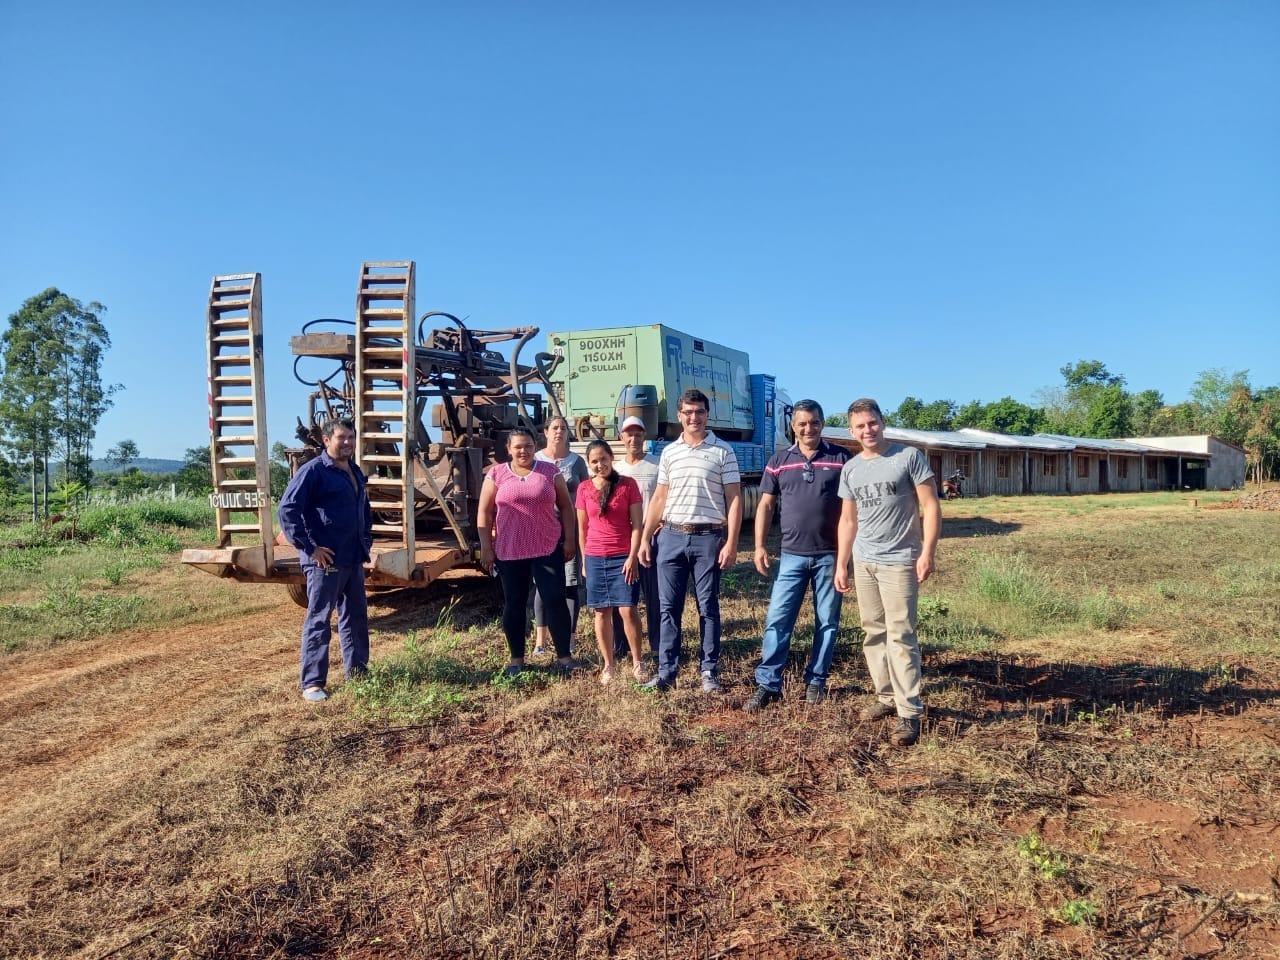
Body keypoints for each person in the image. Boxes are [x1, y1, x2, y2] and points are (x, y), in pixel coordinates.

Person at [834, 398, 940, 747]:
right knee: (873, 632)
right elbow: (849, 520)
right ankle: (885, 696)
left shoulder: (908, 457)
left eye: (872, 423)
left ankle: (909, 712)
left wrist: (927, 552)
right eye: (860, 426)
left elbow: (930, 505)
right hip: (864, 562)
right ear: (852, 431)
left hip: (900, 561)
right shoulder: (850, 469)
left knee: (901, 635)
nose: (868, 430)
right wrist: (842, 563)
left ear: (882, 422)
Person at [743, 400, 851, 712]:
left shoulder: (842, 458)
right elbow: (765, 505)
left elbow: (851, 511)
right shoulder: (778, 460)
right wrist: (760, 546)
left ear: (822, 422)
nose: (808, 428)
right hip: (790, 555)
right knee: (778, 620)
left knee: (827, 622)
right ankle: (768, 683)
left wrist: (846, 556)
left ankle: (816, 680)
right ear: (793, 425)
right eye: (802, 423)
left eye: (814, 422)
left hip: (829, 555)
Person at [638, 388, 742, 693]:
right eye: (687, 412)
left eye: (699, 412)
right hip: (670, 537)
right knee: (668, 608)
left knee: (707, 607)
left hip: (707, 538)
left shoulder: (723, 451)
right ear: (679, 416)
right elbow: (659, 498)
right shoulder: (670, 453)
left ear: (707, 415)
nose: (693, 417)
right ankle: (667, 672)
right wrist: (646, 538)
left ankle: (709, 671)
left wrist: (731, 543)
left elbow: (734, 499)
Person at [277, 417, 374, 702]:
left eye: (351, 438)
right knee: (319, 619)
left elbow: (363, 509)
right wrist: (310, 548)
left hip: (352, 557)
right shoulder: (314, 471)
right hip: (325, 561)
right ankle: (313, 683)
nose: (347, 443)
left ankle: (358, 673)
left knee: (355, 617)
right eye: (341, 438)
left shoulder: (353, 470)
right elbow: (288, 510)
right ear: (326, 440)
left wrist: (365, 539)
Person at [477, 427, 582, 677]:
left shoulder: (549, 471)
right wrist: (486, 547)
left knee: (555, 600)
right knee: (514, 604)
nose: (523, 451)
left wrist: (569, 540)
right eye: (518, 447)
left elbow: (566, 507)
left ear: (535, 446)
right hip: (510, 551)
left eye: (528, 446)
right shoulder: (496, 474)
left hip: (546, 548)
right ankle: (517, 660)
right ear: (508, 449)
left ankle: (564, 657)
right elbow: (484, 512)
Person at [576, 439, 649, 684]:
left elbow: (637, 525)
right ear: (589, 464)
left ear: (611, 458)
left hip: (623, 557)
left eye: (603, 459)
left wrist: (632, 557)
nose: (599, 465)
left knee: (628, 609)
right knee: (601, 612)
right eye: (594, 461)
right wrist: (585, 560)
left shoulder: (628, 485)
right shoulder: (584, 488)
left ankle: (638, 661)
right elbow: (582, 528)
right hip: (596, 557)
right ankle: (609, 665)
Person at [532, 415, 589, 656]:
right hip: (541, 531)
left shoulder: (577, 463)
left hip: (570, 530)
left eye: (563, 428)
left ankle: (570, 637)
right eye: (554, 428)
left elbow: (587, 493)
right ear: (545, 432)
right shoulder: (535, 460)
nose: (559, 432)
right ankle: (540, 641)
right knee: (542, 587)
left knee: (569, 585)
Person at [611, 415, 661, 656]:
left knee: (655, 596)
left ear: (644, 437)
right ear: (621, 438)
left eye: (638, 434)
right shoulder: (616, 470)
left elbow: (666, 499)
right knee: (624, 598)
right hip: (624, 541)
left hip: (653, 539)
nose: (634, 439)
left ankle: (658, 644)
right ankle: (621, 646)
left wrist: (661, 522)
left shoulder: (657, 465)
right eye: (629, 434)